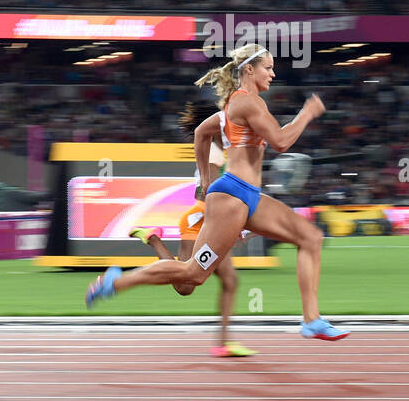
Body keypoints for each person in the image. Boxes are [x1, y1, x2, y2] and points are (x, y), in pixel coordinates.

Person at [86, 44, 348, 341]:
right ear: (249, 69)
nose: (273, 73)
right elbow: (282, 142)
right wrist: (307, 113)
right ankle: (117, 281)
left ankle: (311, 320)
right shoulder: (248, 103)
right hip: (233, 197)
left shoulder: (232, 108)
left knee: (311, 237)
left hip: (246, 196)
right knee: (192, 275)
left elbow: (200, 132)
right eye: (268, 67)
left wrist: (207, 180)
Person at [129, 102, 255, 357]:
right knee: (184, 286)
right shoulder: (215, 150)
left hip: (209, 218)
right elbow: (207, 192)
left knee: (222, 281)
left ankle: (223, 343)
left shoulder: (220, 147)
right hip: (200, 218)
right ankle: (153, 239)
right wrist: (234, 225)